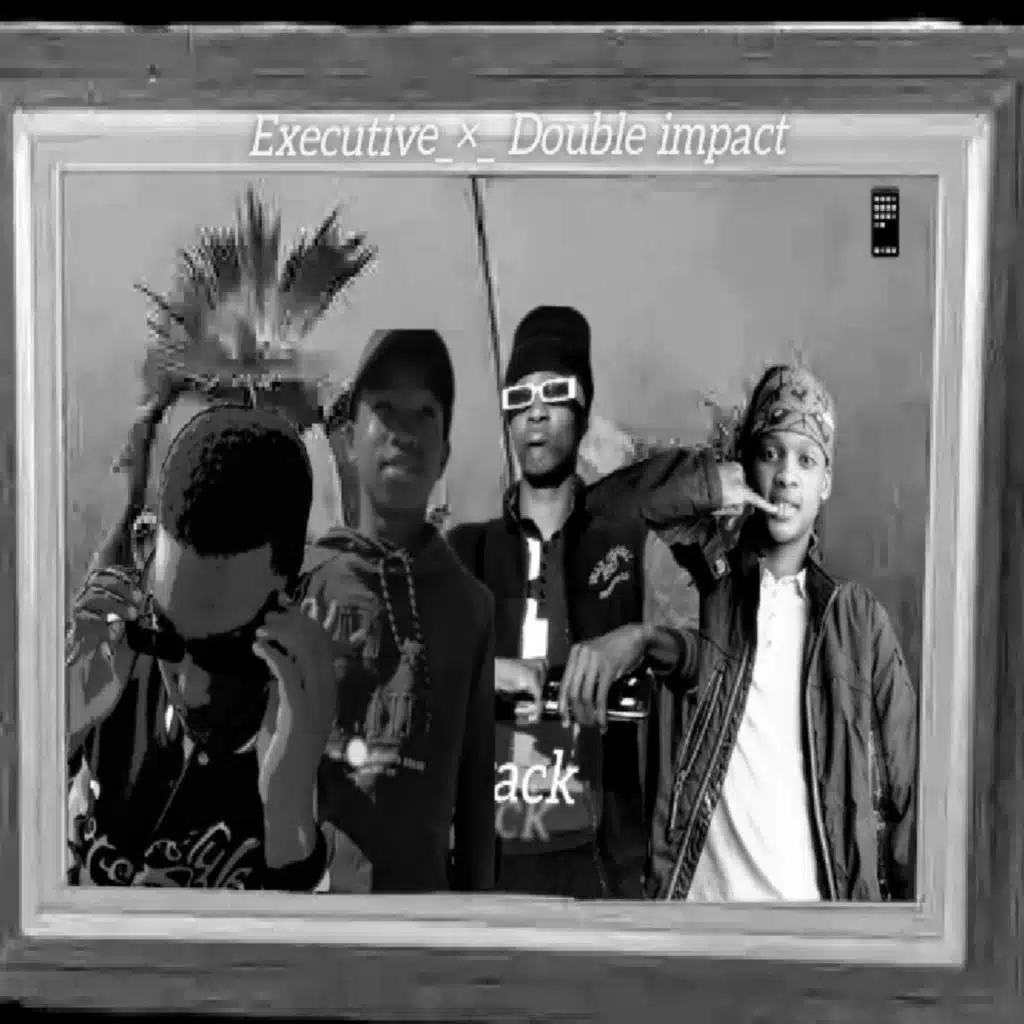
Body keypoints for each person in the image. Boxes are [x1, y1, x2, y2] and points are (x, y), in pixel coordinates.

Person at [602, 363, 918, 902]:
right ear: (747, 464)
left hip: (816, 926)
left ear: (825, 483)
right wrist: (707, 483)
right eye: (771, 453)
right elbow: (603, 517)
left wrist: (911, 930)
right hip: (697, 917)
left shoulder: (859, 622)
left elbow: (909, 790)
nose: (787, 475)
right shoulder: (697, 588)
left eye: (806, 460)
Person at [447, 305, 699, 898]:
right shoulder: (463, 551)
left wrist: (638, 639)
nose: (535, 412)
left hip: (603, 879)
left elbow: (704, 657)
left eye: (554, 393)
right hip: (486, 878)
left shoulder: (634, 547)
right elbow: (410, 668)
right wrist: (488, 673)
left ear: (583, 412)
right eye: (519, 397)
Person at [66, 402, 346, 890]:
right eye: (164, 635)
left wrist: (288, 817)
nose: (189, 687)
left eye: (225, 655)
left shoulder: (321, 731)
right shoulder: (106, 663)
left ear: (294, 600)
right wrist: (56, 735)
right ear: (146, 557)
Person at [301, 328, 496, 893]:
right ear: (348, 440)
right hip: (312, 920)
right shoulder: (301, 586)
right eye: (385, 409)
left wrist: (482, 924)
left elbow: (477, 802)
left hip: (428, 927)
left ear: (445, 454)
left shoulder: (472, 608)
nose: (404, 432)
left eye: (425, 414)